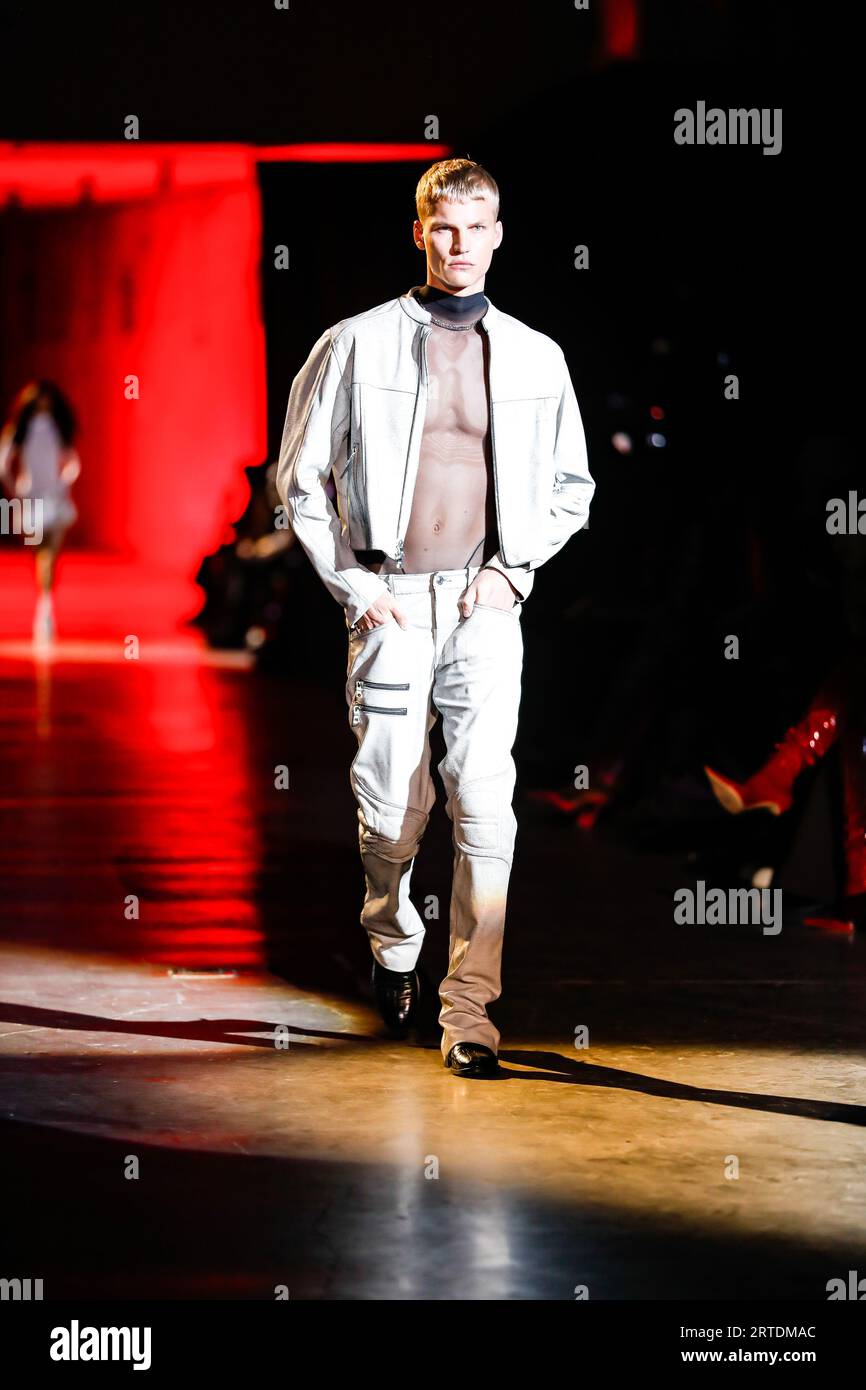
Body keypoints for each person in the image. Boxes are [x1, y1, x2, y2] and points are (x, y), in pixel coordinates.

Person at [276, 158, 594, 1077]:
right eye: (444, 228)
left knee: (485, 805)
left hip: (484, 599)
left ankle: (470, 1013)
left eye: (478, 226)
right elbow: (297, 483)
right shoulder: (355, 343)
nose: (462, 245)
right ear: (420, 232)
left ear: (500, 232)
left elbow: (573, 485)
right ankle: (391, 940)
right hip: (392, 601)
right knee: (391, 817)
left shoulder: (537, 355)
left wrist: (516, 573)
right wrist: (358, 589)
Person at [0, 380, 81, 644]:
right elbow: (3, 464)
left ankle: (45, 605)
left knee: (50, 555)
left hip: (54, 499)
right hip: (32, 501)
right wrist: (16, 490)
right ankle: (44, 603)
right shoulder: (19, 431)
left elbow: (72, 461)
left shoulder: (58, 429)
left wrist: (64, 481)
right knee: (41, 556)